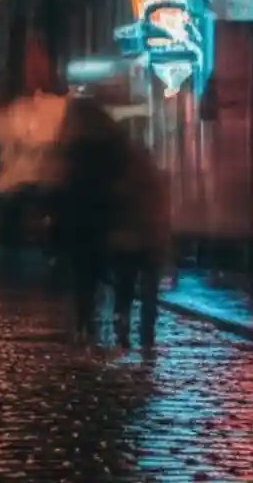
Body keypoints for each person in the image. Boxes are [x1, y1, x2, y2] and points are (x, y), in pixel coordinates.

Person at [53, 97, 129, 343]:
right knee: (103, 272)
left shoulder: (71, 148)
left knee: (83, 275)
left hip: (81, 222)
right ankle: (115, 315)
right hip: (105, 219)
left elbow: (63, 186)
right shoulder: (114, 145)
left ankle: (84, 321)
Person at [108, 140, 170, 349]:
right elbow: (164, 214)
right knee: (148, 291)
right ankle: (146, 331)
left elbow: (114, 213)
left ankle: (123, 322)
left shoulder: (120, 182)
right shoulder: (157, 181)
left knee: (125, 288)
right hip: (148, 243)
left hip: (127, 244)